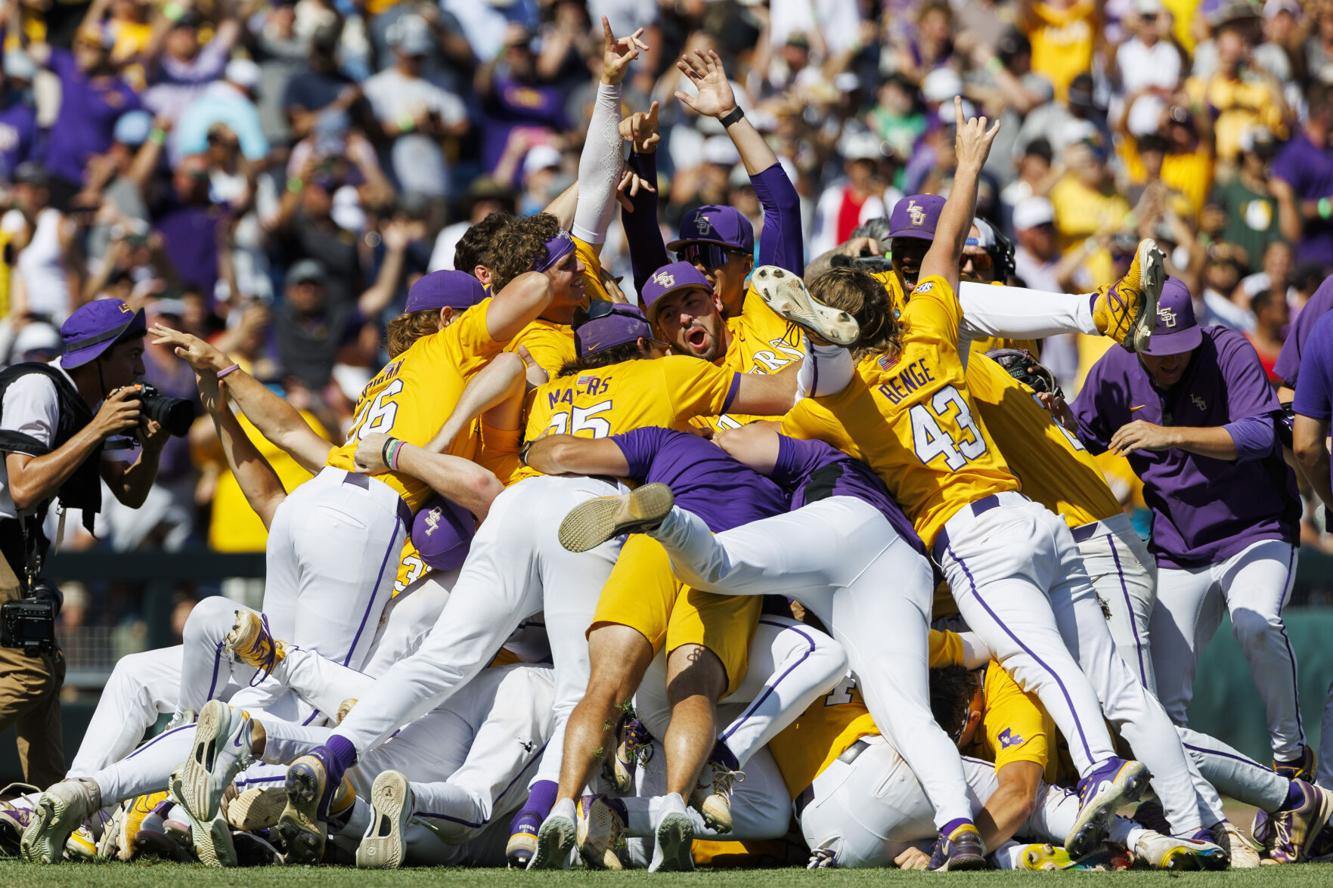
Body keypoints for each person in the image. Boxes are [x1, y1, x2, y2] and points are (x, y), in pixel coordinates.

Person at [751, 99, 1224, 860]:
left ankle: (1101, 768)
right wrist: (968, 163)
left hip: (970, 536)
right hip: (1036, 517)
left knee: (1047, 668)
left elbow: (757, 430)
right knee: (1124, 692)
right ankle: (1196, 827)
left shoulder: (832, 403)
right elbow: (945, 248)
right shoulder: (929, 334)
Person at [1072, 278, 1309, 781]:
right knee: (1161, 705)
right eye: (1158, 349)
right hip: (1179, 545)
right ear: (1135, 338)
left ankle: (1291, 762)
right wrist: (1050, 415)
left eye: (1179, 345)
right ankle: (1189, 806)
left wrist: (1170, 435)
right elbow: (1079, 437)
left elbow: (1259, 434)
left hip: (1255, 528)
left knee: (1257, 624)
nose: (1170, 358)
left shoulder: (1226, 351)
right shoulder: (1114, 368)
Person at [1, 300, 168, 789]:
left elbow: (130, 493)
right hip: (4, 539)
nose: (141, 369)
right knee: (29, 675)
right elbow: (23, 487)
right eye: (132, 355)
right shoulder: (37, 387)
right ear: (98, 356)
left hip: (20, 550)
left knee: (47, 672)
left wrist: (152, 447)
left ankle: (48, 805)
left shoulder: (84, 405)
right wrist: (98, 428)